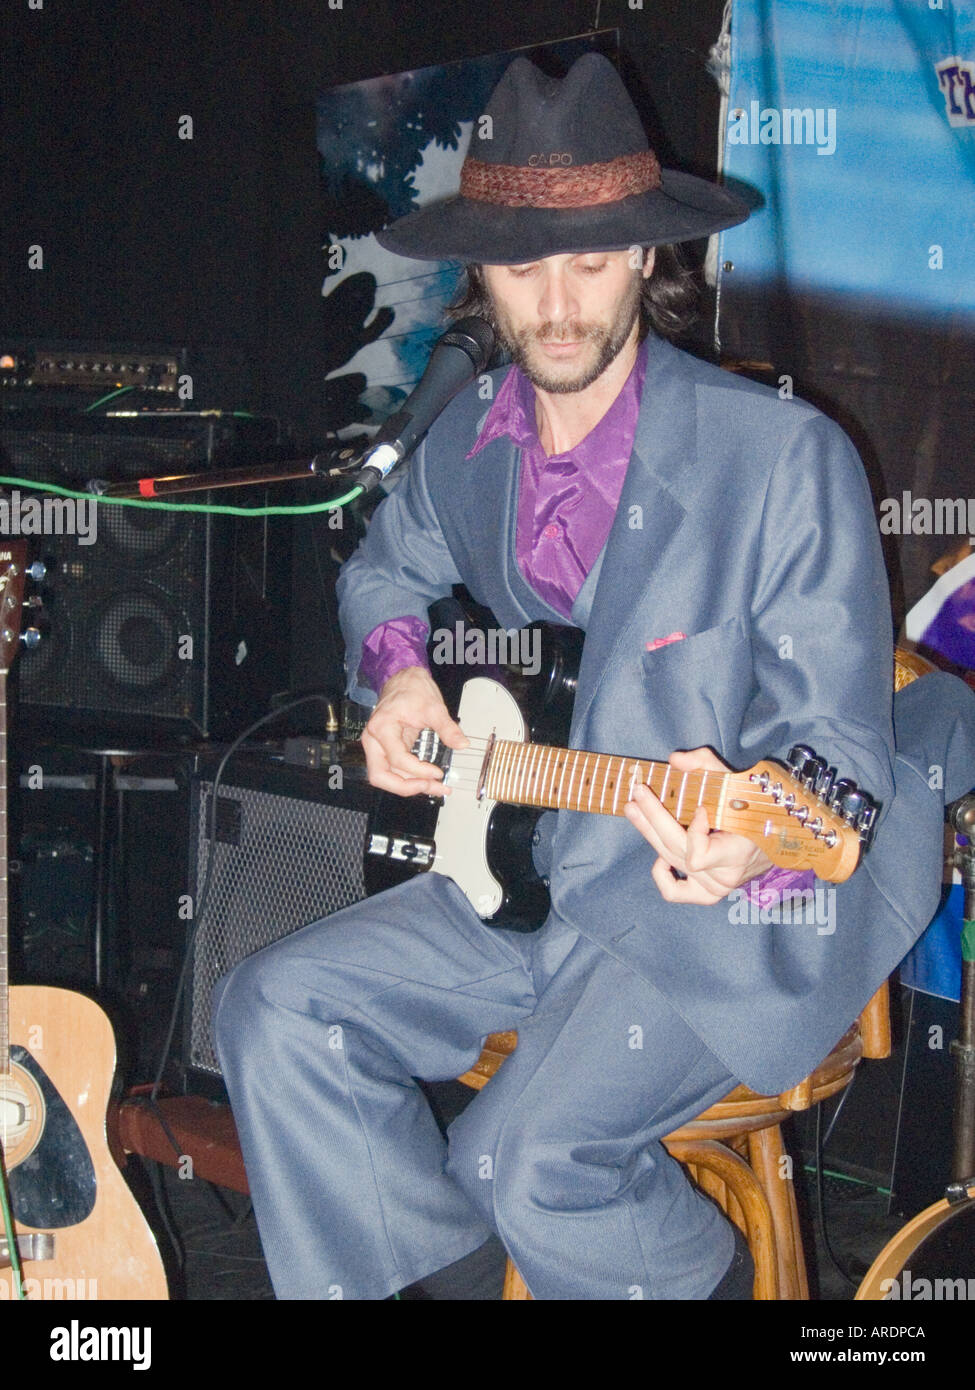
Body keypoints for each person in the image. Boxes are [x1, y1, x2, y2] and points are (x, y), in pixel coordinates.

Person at [213, 53, 903, 1301]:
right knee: (271, 1008)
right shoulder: (468, 448)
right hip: (524, 880)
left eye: (592, 260)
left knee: (526, 1160)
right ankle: (457, 1275)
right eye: (525, 266)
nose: (562, 303)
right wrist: (399, 674)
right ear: (480, 273)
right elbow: (380, 570)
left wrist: (763, 840)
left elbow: (841, 753)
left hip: (717, 915)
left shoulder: (780, 458)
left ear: (648, 257)